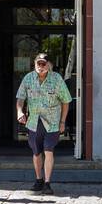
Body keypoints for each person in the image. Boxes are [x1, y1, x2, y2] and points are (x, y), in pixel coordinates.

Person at [15, 51, 72, 194]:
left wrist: (62, 121)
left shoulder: (57, 79)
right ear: (34, 64)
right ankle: (38, 179)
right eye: (38, 63)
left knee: (49, 151)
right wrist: (20, 111)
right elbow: (21, 98)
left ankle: (47, 182)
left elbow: (66, 101)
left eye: (43, 63)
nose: (41, 66)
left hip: (52, 122)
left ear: (49, 65)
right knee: (36, 152)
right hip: (34, 121)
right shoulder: (28, 79)